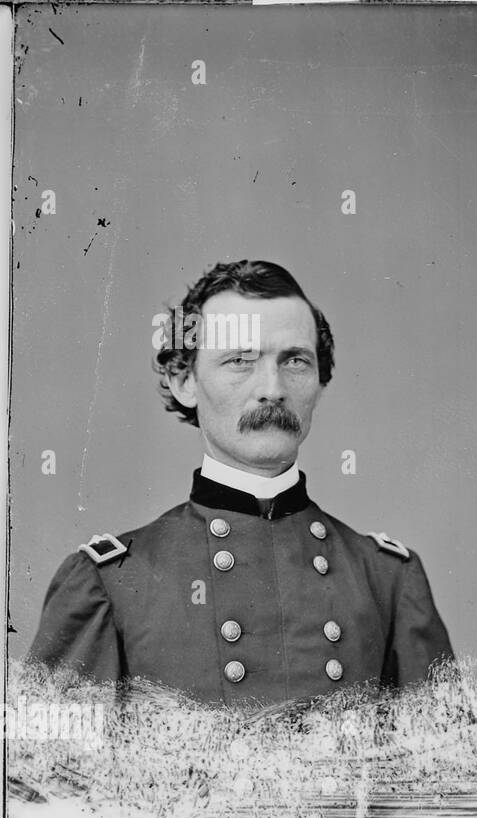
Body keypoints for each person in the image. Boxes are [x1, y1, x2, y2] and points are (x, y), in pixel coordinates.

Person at [27, 260, 454, 704]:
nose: (272, 388)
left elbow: (447, 769)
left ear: (320, 382)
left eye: (294, 361)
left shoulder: (388, 578)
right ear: (184, 381)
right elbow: (48, 772)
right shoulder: (108, 584)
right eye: (239, 361)